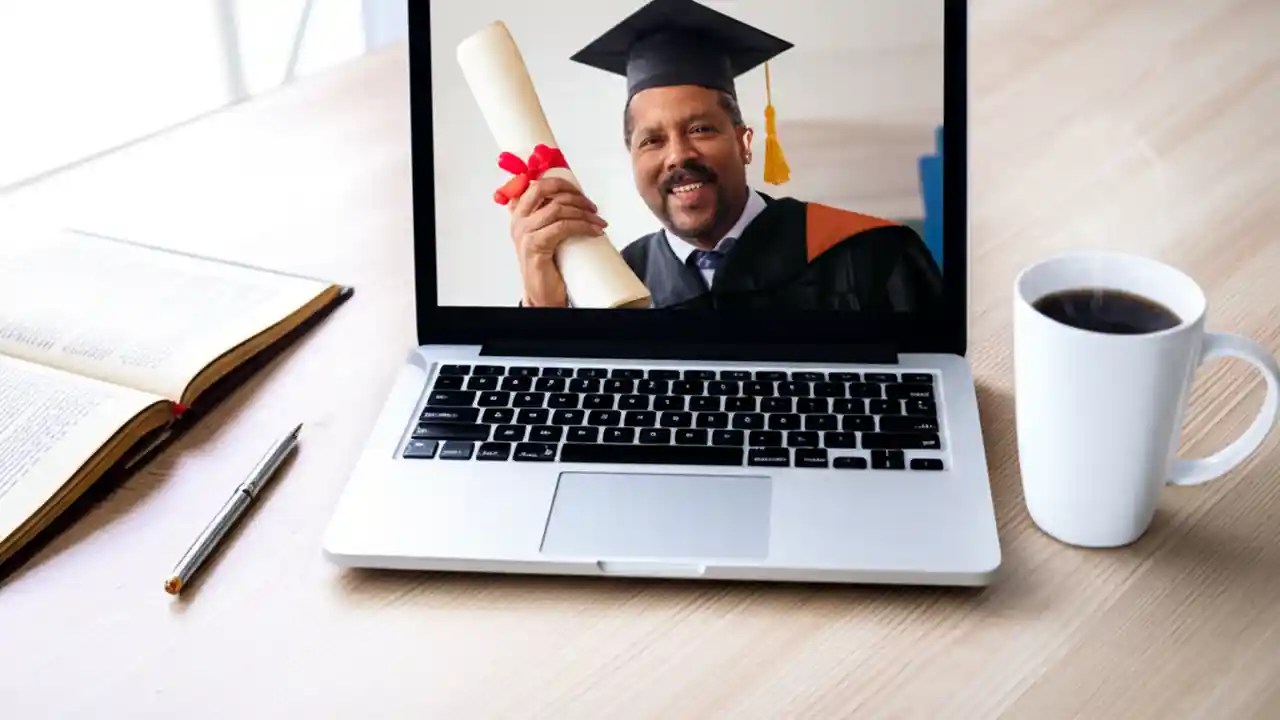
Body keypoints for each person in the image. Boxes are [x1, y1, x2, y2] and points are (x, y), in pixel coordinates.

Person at [509, 0, 944, 311]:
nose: (678, 156)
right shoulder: (615, 284)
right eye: (652, 141)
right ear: (632, 159)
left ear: (744, 142)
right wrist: (542, 309)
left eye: (700, 129)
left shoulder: (871, 253)